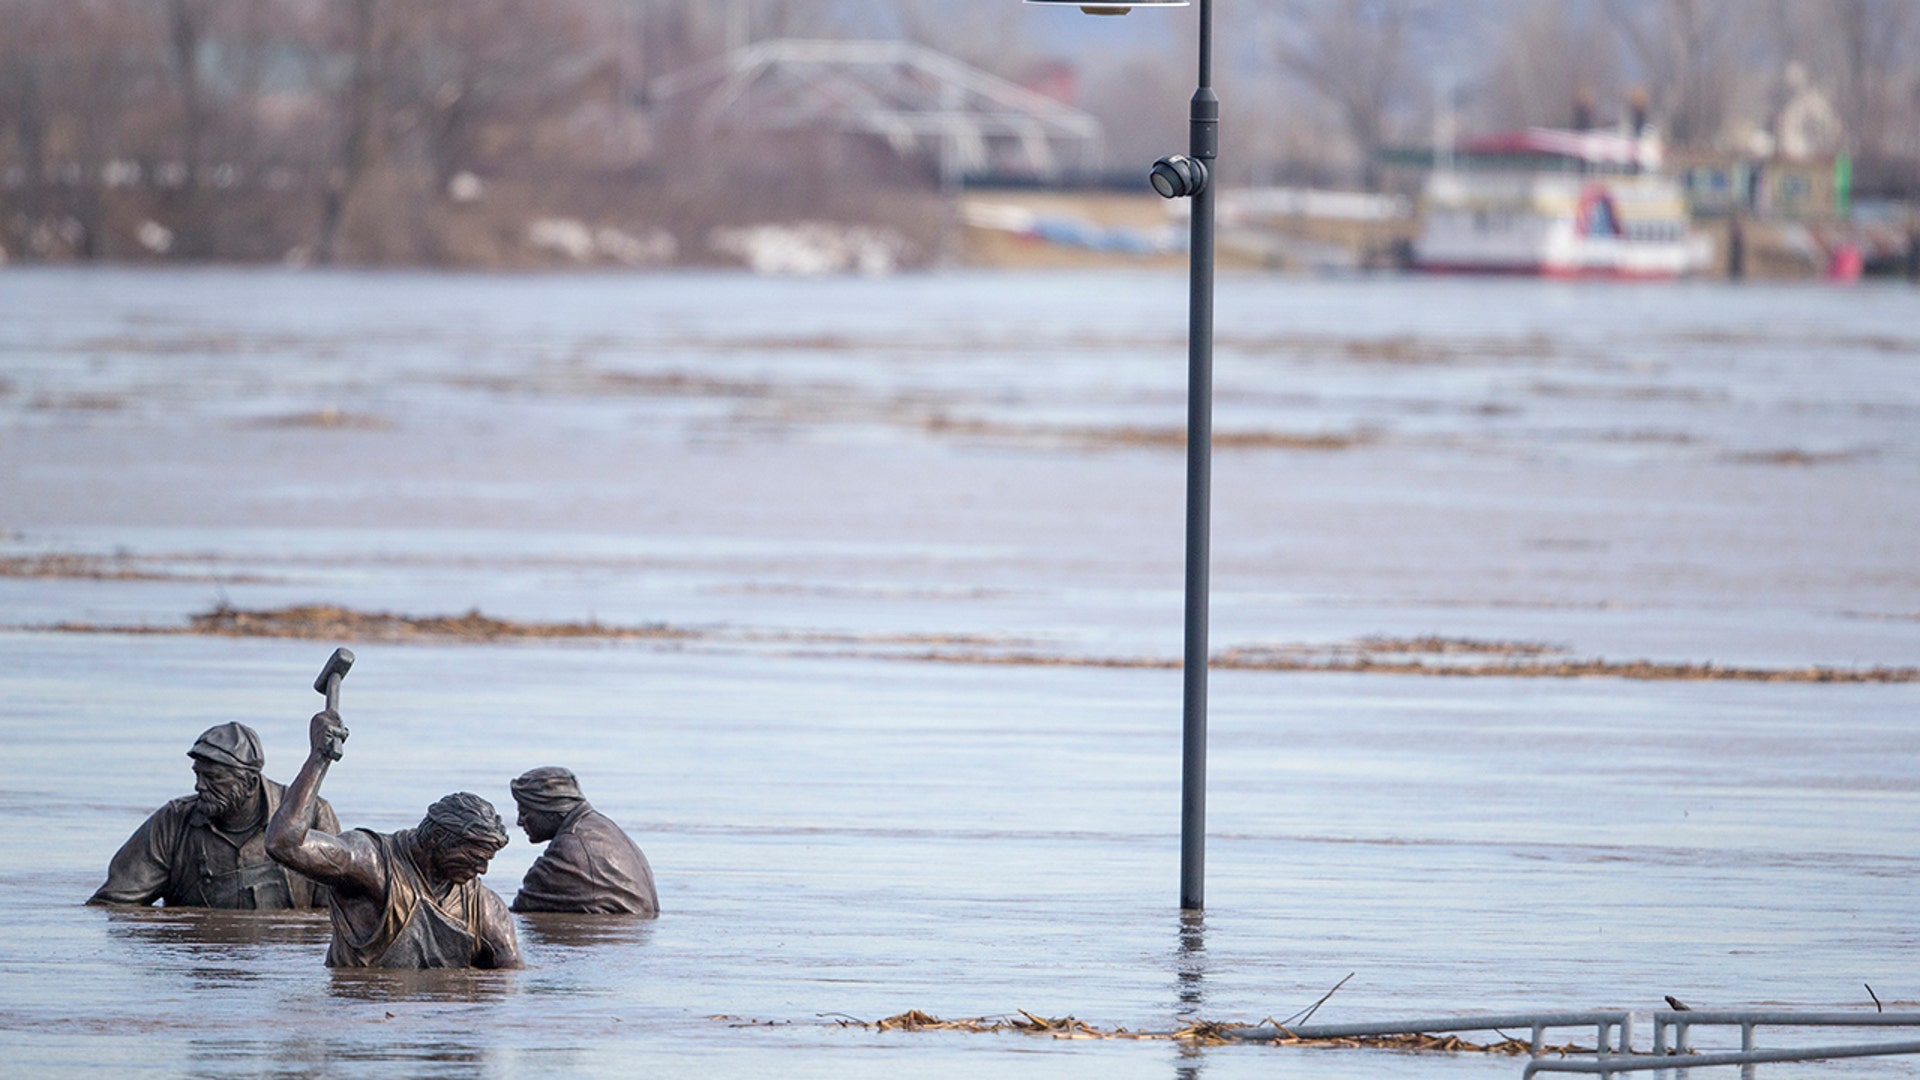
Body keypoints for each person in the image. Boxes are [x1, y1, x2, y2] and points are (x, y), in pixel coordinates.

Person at [265, 709, 521, 969]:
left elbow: (509, 982)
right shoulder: (370, 862)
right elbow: (285, 844)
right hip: (364, 1008)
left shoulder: (487, 908)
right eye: (475, 858)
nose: (482, 870)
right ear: (435, 838)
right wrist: (319, 758)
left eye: (487, 860)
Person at [89, 722, 339, 909]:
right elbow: (112, 904)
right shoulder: (172, 824)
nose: (199, 786)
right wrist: (174, 933)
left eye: (213, 778)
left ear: (251, 784)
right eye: (198, 775)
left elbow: (337, 913)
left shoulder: (311, 816)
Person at [508, 767, 659, 916]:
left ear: (550, 810)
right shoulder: (605, 826)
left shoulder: (569, 848)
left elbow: (523, 907)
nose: (520, 822)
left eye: (524, 812)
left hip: (610, 935)